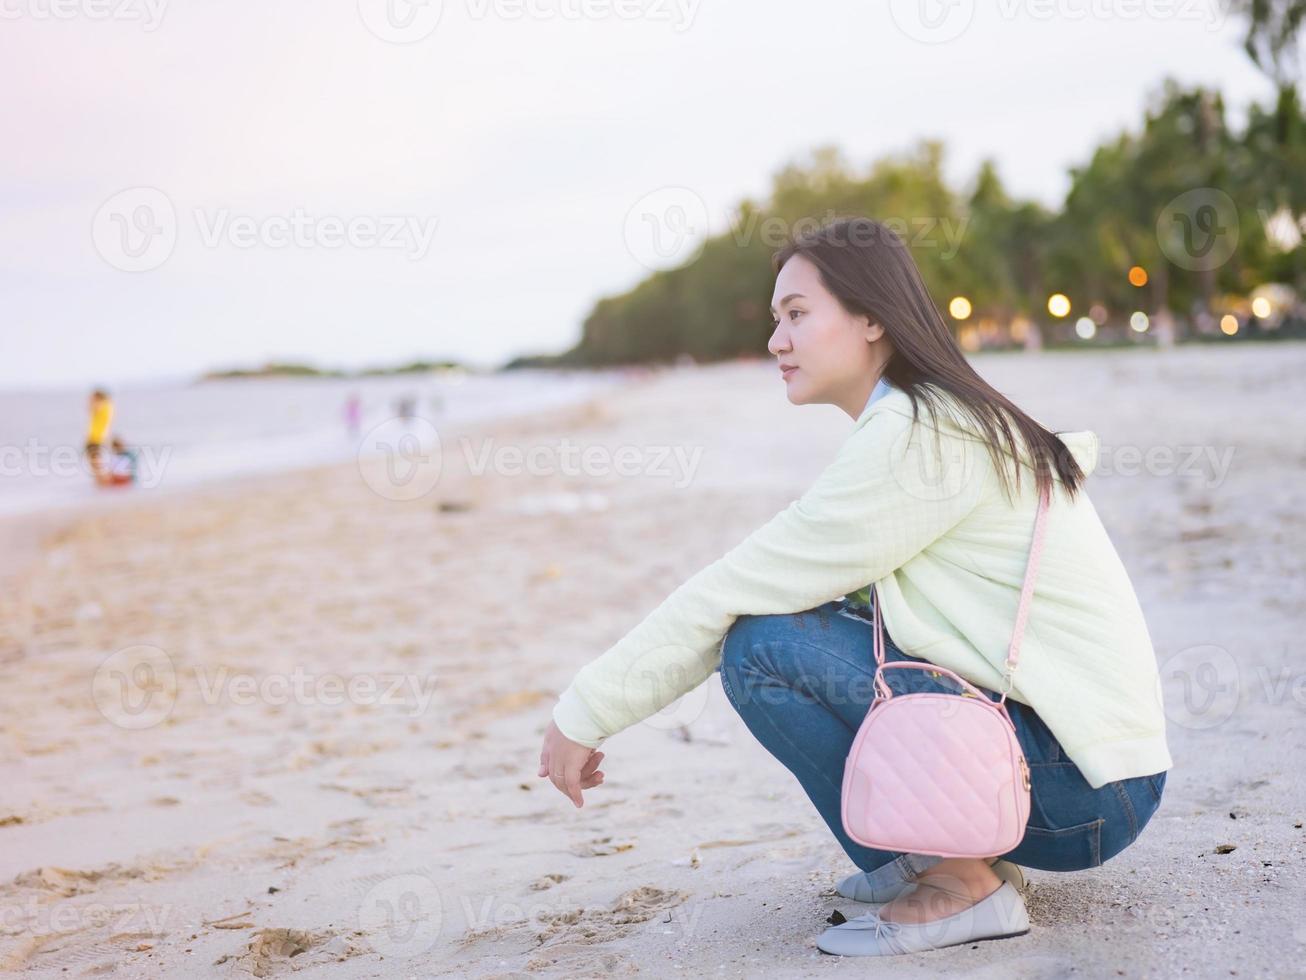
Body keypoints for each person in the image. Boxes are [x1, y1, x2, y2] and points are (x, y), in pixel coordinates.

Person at [537, 217, 1171, 957]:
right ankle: (938, 859)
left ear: (871, 316)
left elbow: (732, 589)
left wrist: (583, 712)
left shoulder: (920, 434)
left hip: (1087, 791)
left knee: (760, 646)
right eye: (777, 319)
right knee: (790, 619)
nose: (777, 340)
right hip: (1086, 770)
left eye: (798, 315)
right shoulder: (932, 415)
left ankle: (960, 880)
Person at [85, 388, 114, 485]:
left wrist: (92, 401)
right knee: (95, 462)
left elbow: (91, 409)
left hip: (96, 437)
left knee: (96, 462)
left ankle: (103, 482)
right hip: (97, 437)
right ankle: (101, 482)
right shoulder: (108, 405)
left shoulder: (103, 405)